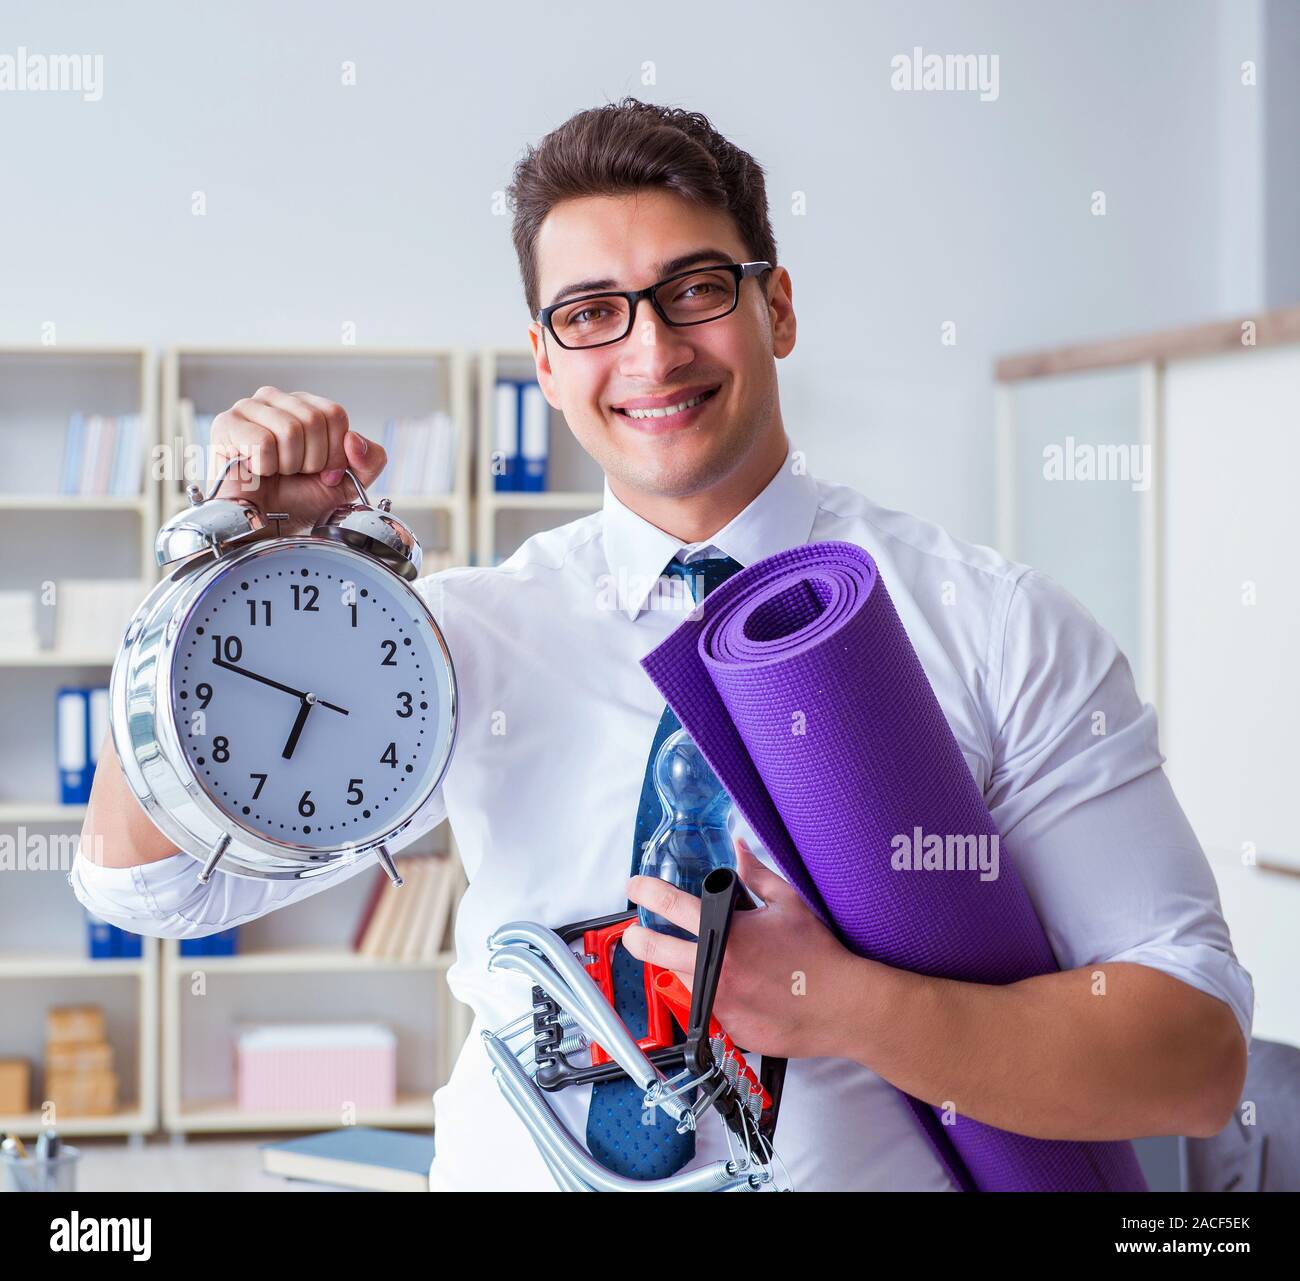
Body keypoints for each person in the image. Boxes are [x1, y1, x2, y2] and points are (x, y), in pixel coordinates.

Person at [70, 98, 1251, 1192]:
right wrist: (220, 571)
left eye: (694, 290)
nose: (650, 353)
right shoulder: (451, 644)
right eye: (590, 314)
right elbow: (153, 885)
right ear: (544, 361)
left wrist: (846, 1008)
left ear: (774, 308)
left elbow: (1191, 1057)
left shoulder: (997, 627)